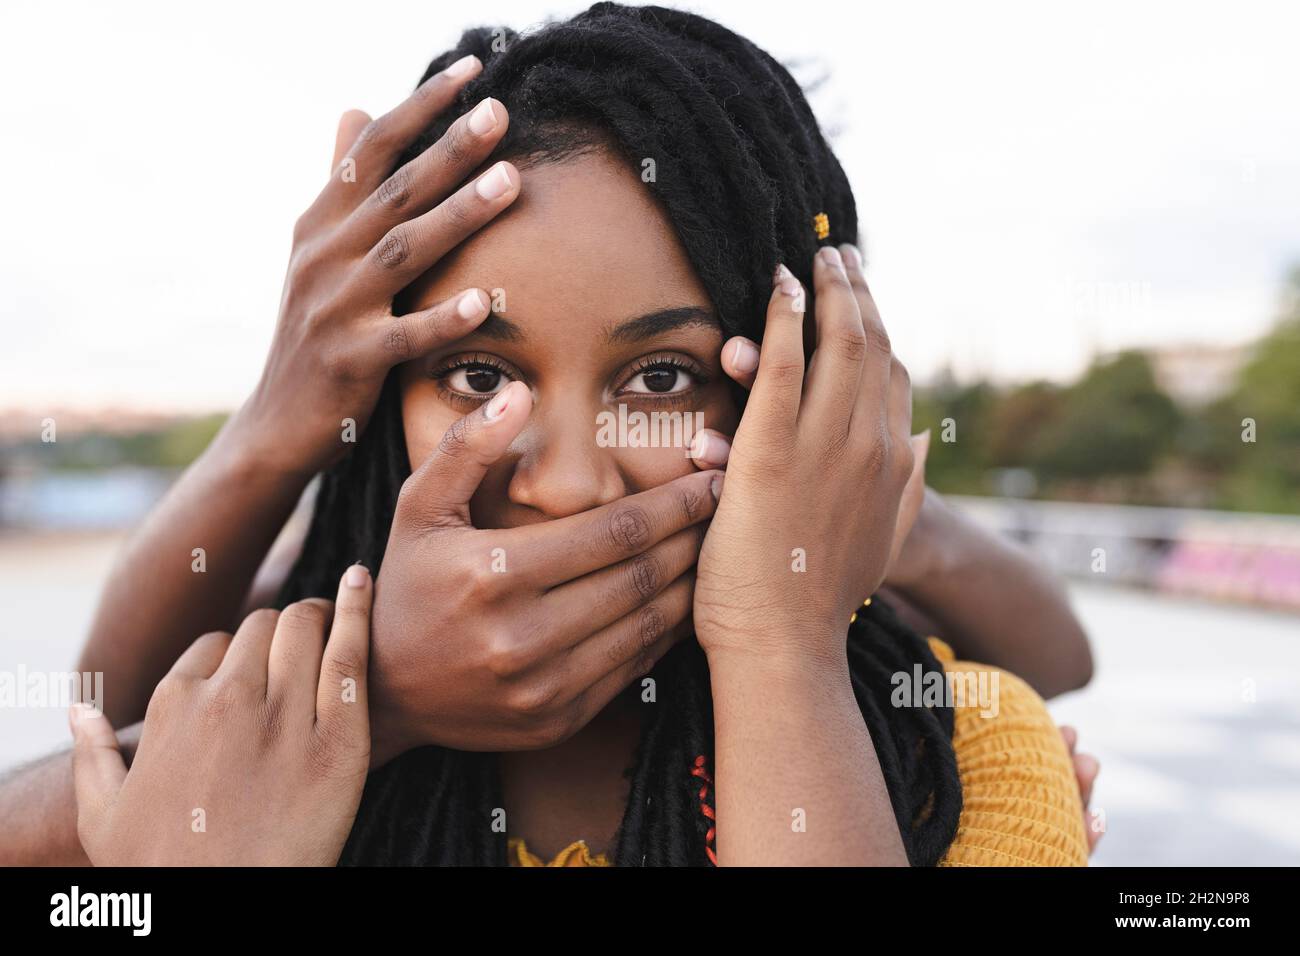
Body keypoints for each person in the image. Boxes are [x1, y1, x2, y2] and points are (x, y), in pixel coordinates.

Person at [1, 3, 1098, 866]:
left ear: (804, 392)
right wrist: (278, 441)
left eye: (662, 376)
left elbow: (1059, 652)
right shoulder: (276, 738)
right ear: (379, 401)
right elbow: (102, 738)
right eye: (477, 374)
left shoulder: (961, 758)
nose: (570, 484)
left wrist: (783, 629)